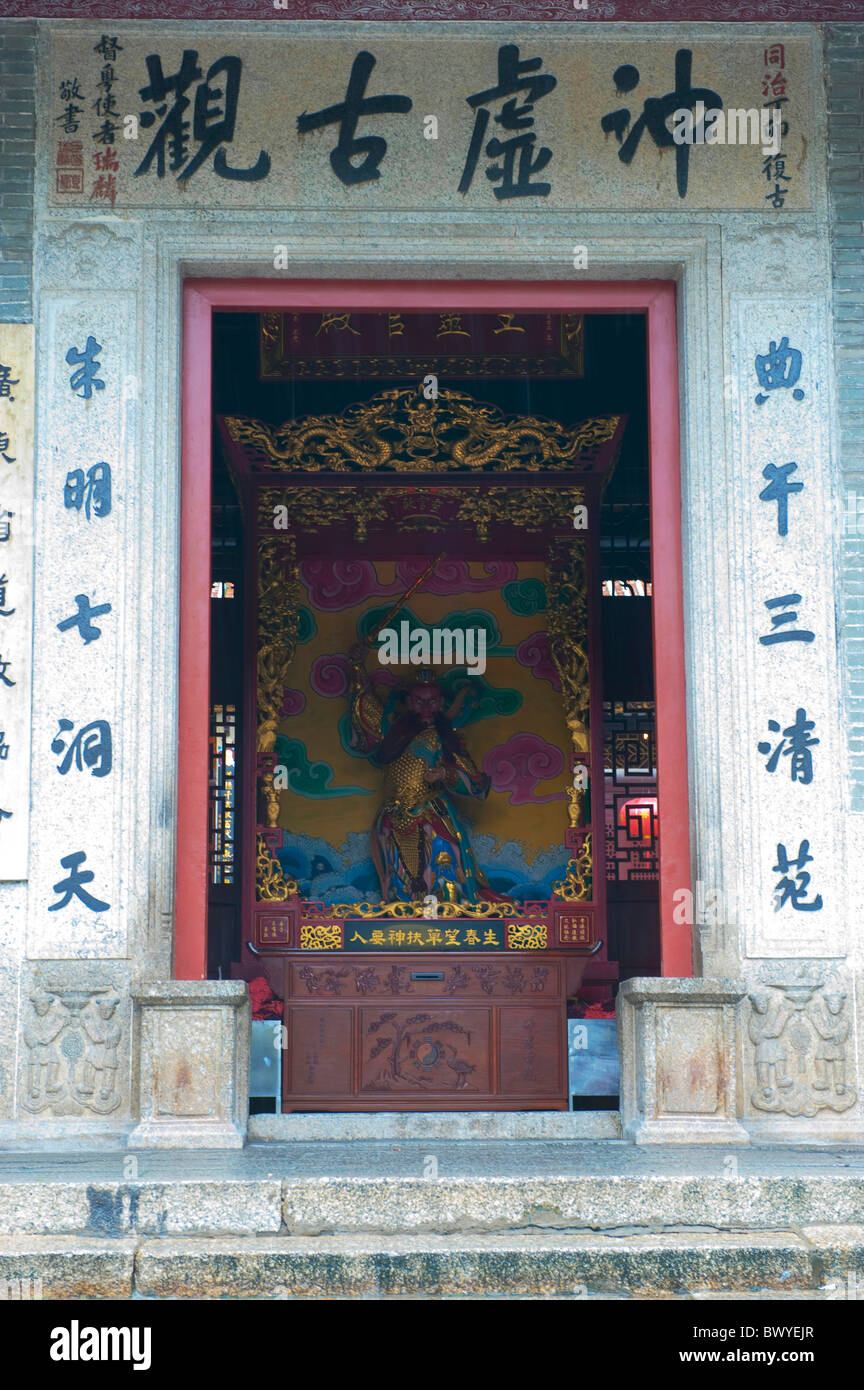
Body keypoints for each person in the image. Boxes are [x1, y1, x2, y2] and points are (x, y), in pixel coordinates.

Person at [347, 644, 506, 905]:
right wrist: (357, 669)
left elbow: (472, 778)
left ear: (441, 703)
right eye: (419, 701)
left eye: (432, 701)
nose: (426, 707)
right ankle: (402, 907)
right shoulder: (393, 733)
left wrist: (445, 773)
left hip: (430, 811)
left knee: (444, 855)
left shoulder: (444, 737)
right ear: (409, 703)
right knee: (394, 864)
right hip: (394, 813)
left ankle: (446, 906)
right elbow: (368, 707)